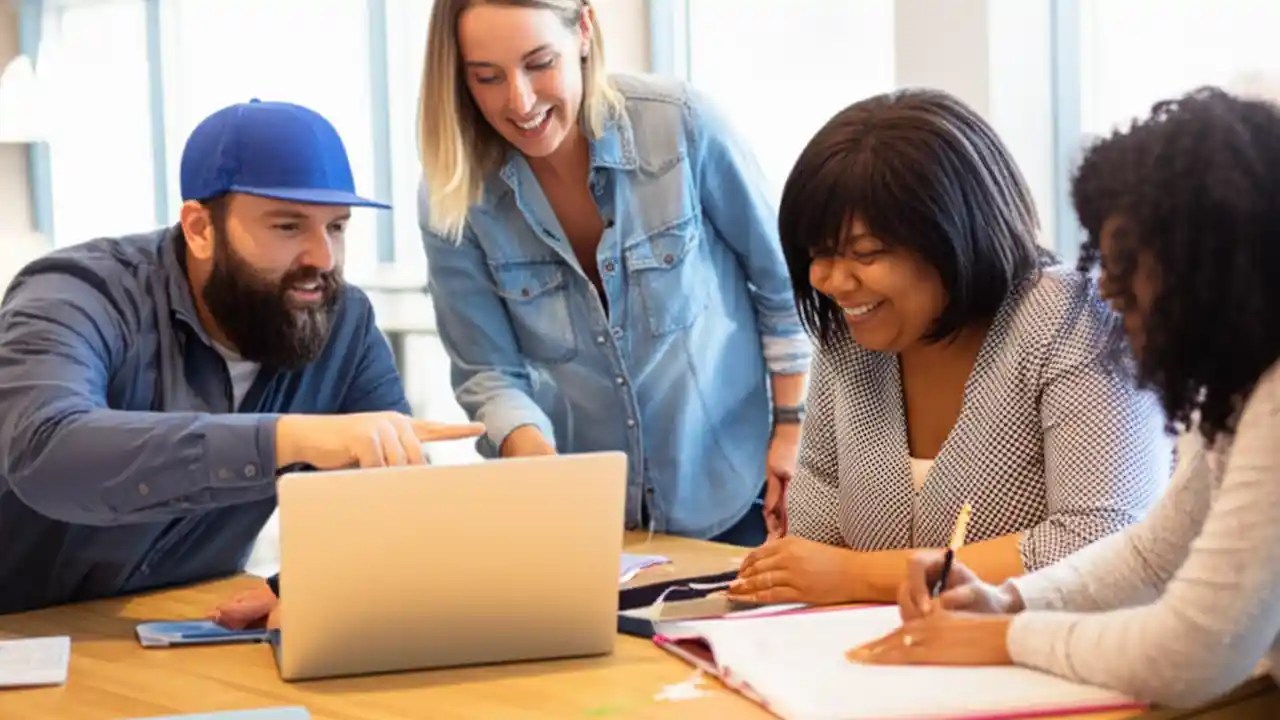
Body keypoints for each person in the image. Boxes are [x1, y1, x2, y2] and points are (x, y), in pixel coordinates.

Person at [848, 87, 1280, 708]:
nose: (1106, 284)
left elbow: (1194, 650)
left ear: (1216, 257)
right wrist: (1010, 599)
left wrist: (1006, 637)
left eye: (1130, 258)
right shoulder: (1232, 385)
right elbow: (1152, 557)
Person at [0, 99, 483, 615]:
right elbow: (46, 453)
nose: (322, 258)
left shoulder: (342, 322)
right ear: (200, 229)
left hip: (183, 632)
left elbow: (383, 509)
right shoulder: (75, 292)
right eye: (287, 227)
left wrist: (296, 587)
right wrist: (284, 439)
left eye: (336, 227)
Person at [727, 89, 1172, 606]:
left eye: (865, 254)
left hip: (1052, 659)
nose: (830, 280)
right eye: (817, 254)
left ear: (956, 238)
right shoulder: (853, 333)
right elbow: (817, 525)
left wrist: (858, 575)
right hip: (879, 663)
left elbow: (1099, 539)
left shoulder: (1070, 318)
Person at [417, 0, 810, 546]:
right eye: (487, 77)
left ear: (583, 30)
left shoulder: (680, 125)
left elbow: (783, 286)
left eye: (538, 64)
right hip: (589, 525)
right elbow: (488, 372)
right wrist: (533, 453)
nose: (520, 101)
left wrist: (792, 425)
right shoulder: (454, 197)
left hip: (734, 493)